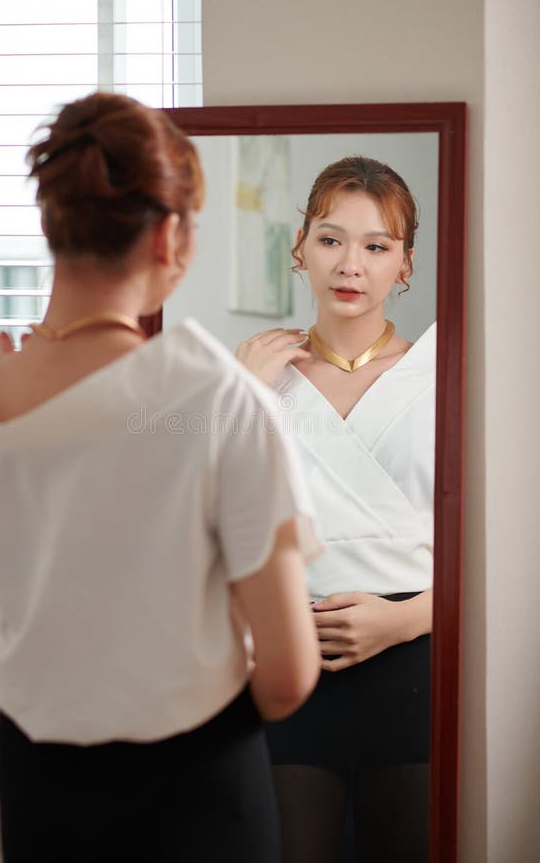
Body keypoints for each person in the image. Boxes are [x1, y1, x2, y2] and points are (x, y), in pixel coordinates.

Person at [0, 92, 322, 863]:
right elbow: (286, 676)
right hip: (196, 789)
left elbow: (13, 598)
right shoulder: (217, 399)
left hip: (38, 780)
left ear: (56, 227)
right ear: (170, 235)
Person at [236, 156, 435, 863]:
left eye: (376, 246)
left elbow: (497, 549)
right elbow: (206, 526)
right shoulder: (256, 373)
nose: (351, 264)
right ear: (301, 250)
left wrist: (404, 619)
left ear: (405, 264)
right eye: (330, 239)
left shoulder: (447, 374)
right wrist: (243, 399)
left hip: (414, 660)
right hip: (289, 660)